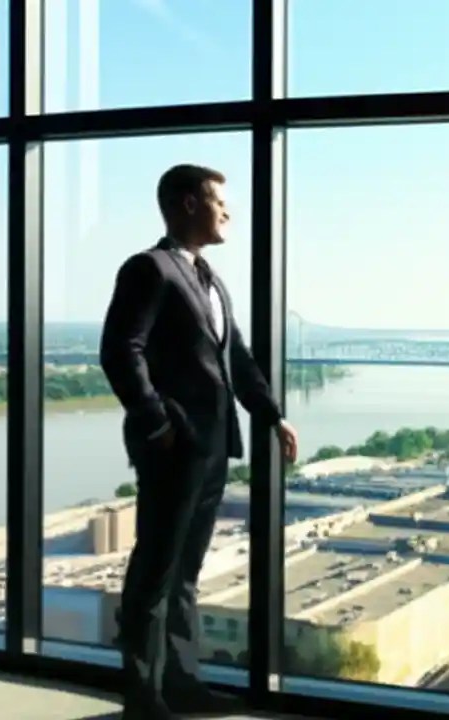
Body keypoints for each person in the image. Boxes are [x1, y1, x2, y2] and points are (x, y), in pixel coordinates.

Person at [100, 163, 299, 719]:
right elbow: (121, 350)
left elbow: (234, 356)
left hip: (213, 447)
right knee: (155, 573)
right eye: (220, 201)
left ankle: (183, 685)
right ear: (188, 204)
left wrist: (272, 416)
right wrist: (157, 423)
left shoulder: (209, 279)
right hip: (173, 446)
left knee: (185, 571)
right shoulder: (149, 269)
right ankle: (144, 698)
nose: (229, 211)